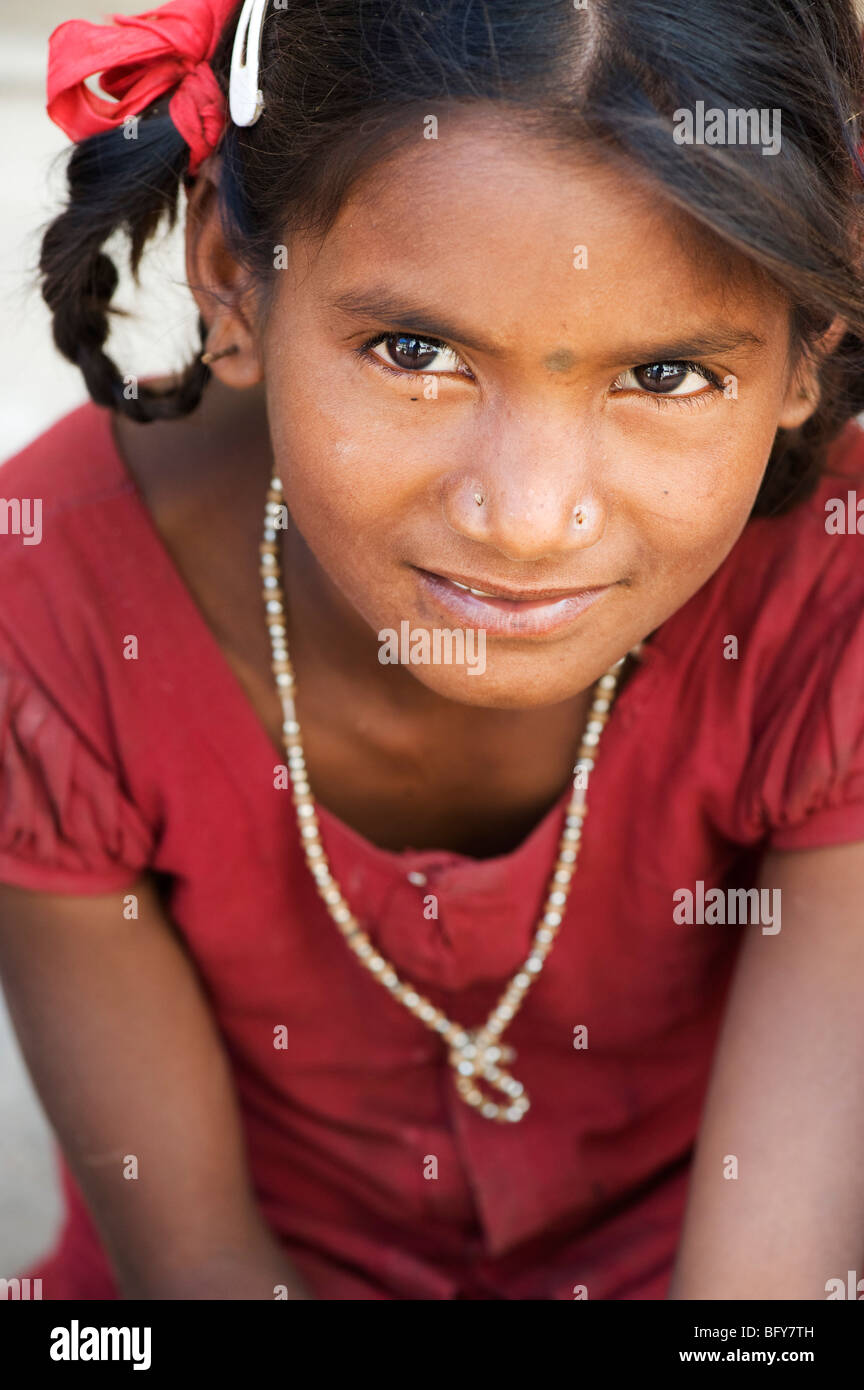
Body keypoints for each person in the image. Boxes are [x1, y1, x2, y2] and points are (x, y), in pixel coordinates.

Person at [1, 0, 863, 1301]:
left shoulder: (833, 593)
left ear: (811, 351)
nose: (523, 517)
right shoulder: (48, 614)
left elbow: (764, 1292)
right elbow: (194, 1260)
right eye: (417, 351)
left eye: (671, 375)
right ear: (232, 274)